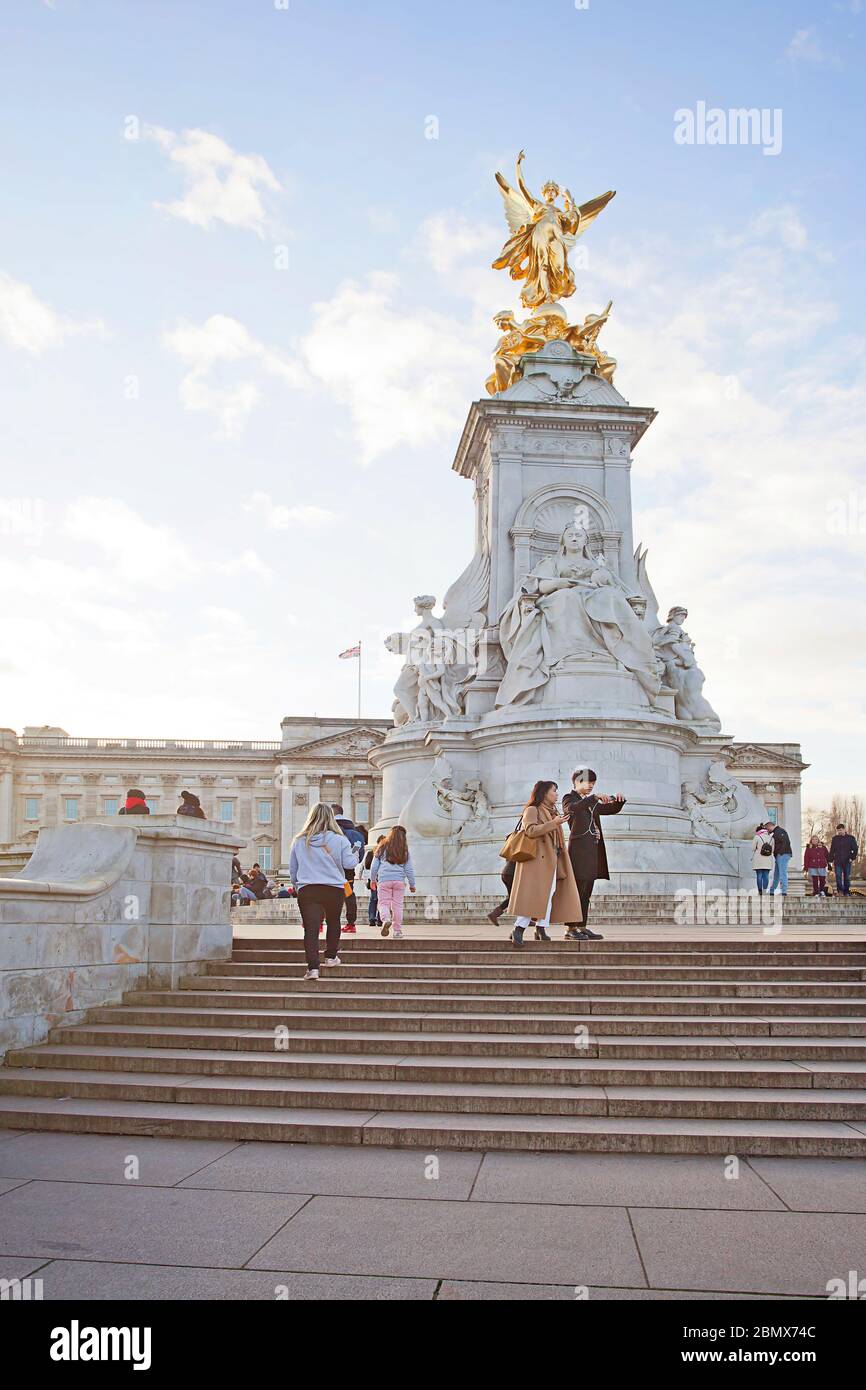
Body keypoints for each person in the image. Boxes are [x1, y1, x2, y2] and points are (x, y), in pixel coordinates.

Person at [506, 781, 581, 948]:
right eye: (554, 791)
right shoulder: (532, 809)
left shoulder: (553, 811)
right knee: (536, 894)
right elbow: (531, 830)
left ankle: (541, 928)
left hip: (552, 859)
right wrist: (555, 823)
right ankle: (518, 928)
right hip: (535, 861)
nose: (556, 794)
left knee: (549, 893)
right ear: (544, 792)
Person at [289, 802, 358, 980]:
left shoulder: (299, 840)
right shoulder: (340, 839)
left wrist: (298, 886)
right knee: (334, 921)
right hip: (333, 888)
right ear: (331, 818)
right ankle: (330, 957)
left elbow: (293, 869)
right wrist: (356, 853)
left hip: (308, 889)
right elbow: (350, 864)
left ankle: (312, 969)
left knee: (311, 930)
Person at [561, 768, 625, 940]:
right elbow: (571, 810)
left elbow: (609, 810)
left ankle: (581, 926)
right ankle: (570, 929)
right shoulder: (569, 798)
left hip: (592, 851)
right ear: (576, 782)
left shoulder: (590, 802)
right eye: (586, 782)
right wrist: (593, 798)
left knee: (586, 891)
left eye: (592, 783)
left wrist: (619, 802)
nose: (590, 786)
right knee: (576, 891)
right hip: (578, 852)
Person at [371, 825, 416, 939]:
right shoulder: (404, 850)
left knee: (383, 903)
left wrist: (373, 880)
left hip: (384, 880)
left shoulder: (382, 847)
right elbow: (409, 869)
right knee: (397, 906)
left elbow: (374, 866)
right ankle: (397, 931)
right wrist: (412, 885)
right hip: (399, 881)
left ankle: (386, 919)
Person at [331, 804, 365, 934]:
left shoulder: (330, 830)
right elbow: (359, 855)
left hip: (331, 868)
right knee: (349, 895)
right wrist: (352, 860)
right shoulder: (356, 834)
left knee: (328, 894)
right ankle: (351, 924)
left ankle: (325, 923)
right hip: (348, 871)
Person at [829, 824, 858, 897]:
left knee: (847, 877)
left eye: (841, 830)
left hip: (847, 860)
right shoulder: (835, 838)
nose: (839, 832)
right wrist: (830, 860)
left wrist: (852, 858)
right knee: (838, 875)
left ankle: (846, 891)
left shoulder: (851, 838)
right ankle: (840, 891)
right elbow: (832, 850)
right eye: (838, 830)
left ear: (844, 829)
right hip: (838, 860)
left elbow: (855, 849)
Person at [364, 834, 386, 927]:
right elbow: (368, 865)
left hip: (379, 879)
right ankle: (375, 919)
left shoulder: (380, 852)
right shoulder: (372, 852)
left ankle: (375, 919)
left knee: (376, 899)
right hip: (378, 879)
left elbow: (368, 865)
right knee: (377, 899)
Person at [769, 822, 793, 896]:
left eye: (767, 828)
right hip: (779, 855)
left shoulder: (780, 831)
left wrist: (780, 853)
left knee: (782, 873)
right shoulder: (776, 832)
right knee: (777, 874)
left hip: (783, 854)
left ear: (770, 826)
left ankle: (784, 891)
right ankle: (772, 890)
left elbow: (786, 842)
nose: (767, 830)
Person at [751, 822, 775, 895]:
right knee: (766, 876)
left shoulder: (757, 837)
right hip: (768, 859)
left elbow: (753, 848)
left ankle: (760, 891)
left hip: (758, 859)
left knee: (759, 875)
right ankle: (764, 891)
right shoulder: (771, 838)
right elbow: (773, 850)